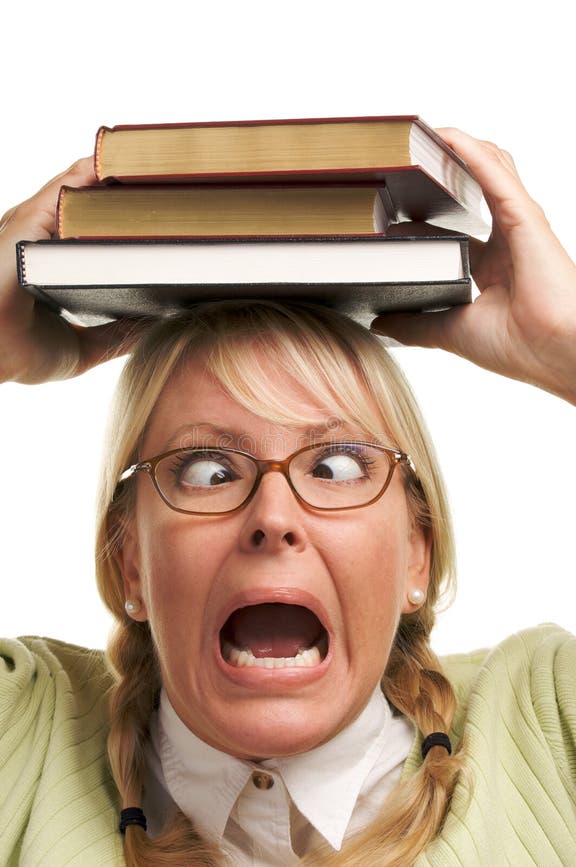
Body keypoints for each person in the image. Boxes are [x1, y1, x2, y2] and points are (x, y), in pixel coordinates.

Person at [1, 129, 575, 867]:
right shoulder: (25, 735)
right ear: (128, 562)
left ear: (417, 554)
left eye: (336, 467)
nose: (273, 518)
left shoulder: (549, 723)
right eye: (209, 471)